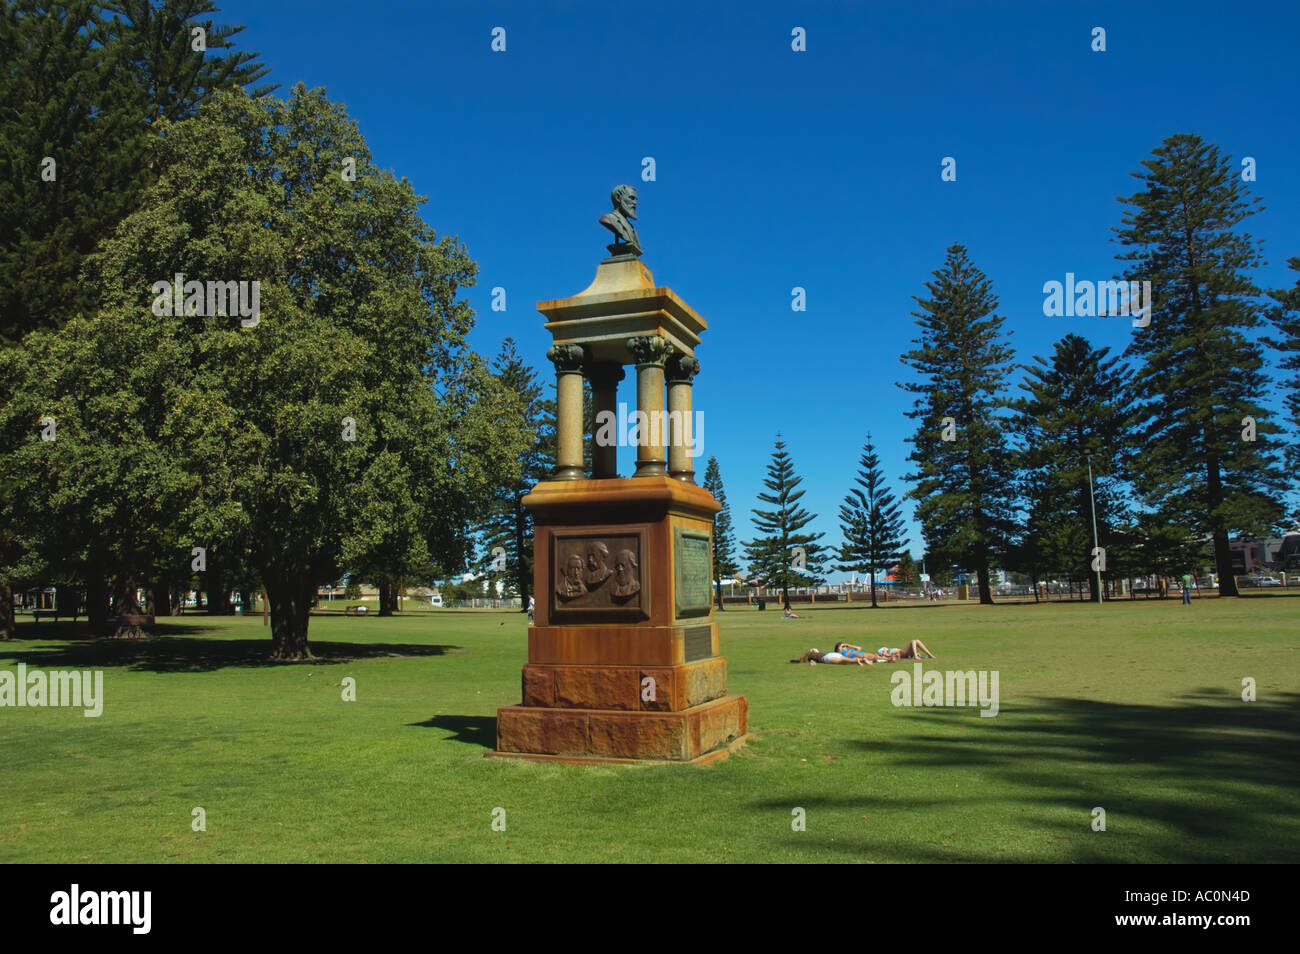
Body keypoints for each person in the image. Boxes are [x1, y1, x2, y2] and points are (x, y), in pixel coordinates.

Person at [789, 648, 870, 666]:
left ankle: (857, 661)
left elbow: (801, 660)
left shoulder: (809, 656)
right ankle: (862, 660)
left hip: (826, 658)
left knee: (841, 661)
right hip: (831, 654)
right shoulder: (820, 653)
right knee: (845, 659)